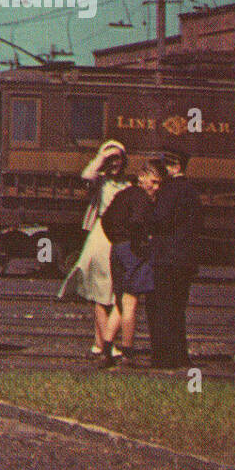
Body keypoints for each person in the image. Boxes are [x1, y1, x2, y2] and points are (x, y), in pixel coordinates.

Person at [58, 140, 129, 356]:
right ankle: (104, 342)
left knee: (112, 291)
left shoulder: (127, 184)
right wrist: (102, 158)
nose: (115, 163)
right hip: (100, 236)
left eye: (119, 159)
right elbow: (87, 175)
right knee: (101, 290)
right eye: (111, 159)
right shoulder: (100, 182)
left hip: (117, 236)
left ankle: (102, 341)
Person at [96, 160, 162, 368]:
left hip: (117, 248)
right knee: (131, 303)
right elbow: (137, 221)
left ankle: (106, 349)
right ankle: (128, 351)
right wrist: (142, 240)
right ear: (143, 177)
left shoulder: (124, 193)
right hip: (133, 250)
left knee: (120, 301)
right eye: (154, 181)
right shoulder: (142, 198)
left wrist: (117, 239)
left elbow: (105, 219)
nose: (156, 187)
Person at [144, 147, 201, 369]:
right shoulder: (192, 191)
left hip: (166, 258)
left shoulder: (170, 190)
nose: (162, 171)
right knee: (177, 309)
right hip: (185, 259)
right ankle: (180, 356)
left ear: (174, 166)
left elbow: (160, 220)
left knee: (160, 308)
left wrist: (149, 203)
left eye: (165, 166)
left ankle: (163, 358)